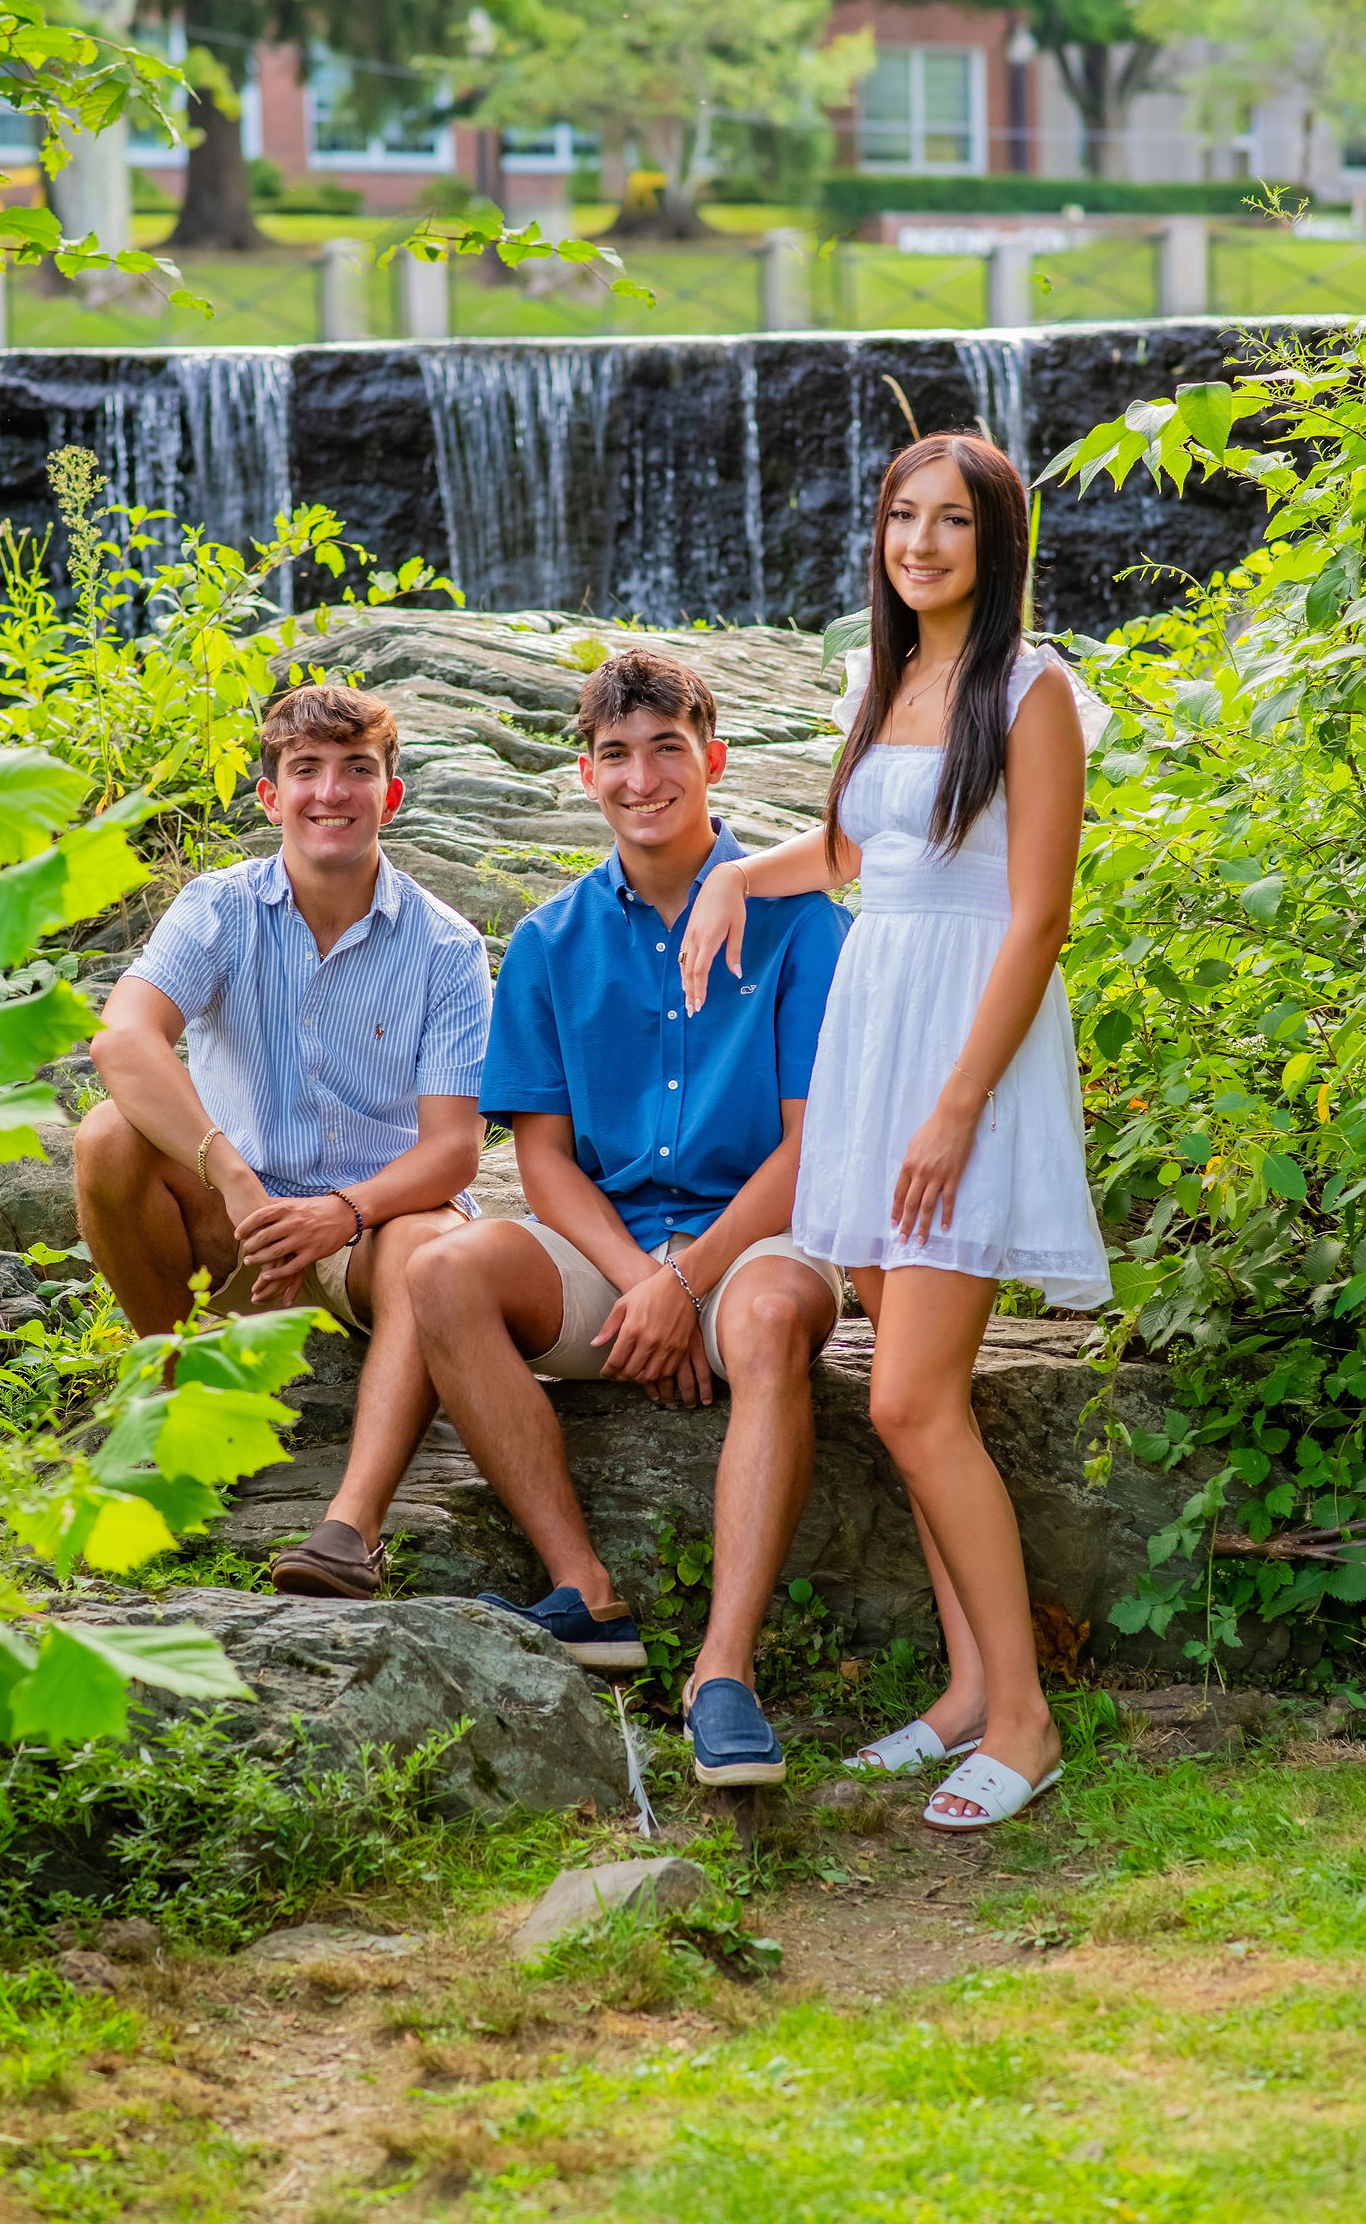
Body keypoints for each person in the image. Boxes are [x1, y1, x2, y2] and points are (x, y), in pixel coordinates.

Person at [680, 435, 1112, 1834]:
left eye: (951, 522)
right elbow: (866, 860)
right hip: (877, 1034)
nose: (919, 541)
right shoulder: (886, 676)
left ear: (997, 544)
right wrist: (740, 870)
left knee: (908, 1398)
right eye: (900, 515)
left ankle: (1027, 1721)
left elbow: (1037, 914)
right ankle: (968, 1692)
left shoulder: (1029, 688)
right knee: (921, 1384)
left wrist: (955, 1104)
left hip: (962, 1052)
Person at [405, 648, 849, 1789]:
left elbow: (810, 1152)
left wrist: (689, 1280)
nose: (642, 776)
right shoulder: (550, 942)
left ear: (714, 758)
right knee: (444, 1274)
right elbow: (541, 1160)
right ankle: (587, 1594)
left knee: (767, 1326)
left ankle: (723, 1672)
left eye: (666, 749)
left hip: (757, 1242)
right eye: (615, 754)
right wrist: (640, 1282)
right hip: (606, 1253)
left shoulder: (804, 925)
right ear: (583, 773)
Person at [76, 682, 492, 1599]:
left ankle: (350, 1529)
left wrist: (341, 1214)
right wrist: (233, 1177)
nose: (330, 792)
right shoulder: (219, 906)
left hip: (379, 1228)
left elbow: (455, 1151)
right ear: (271, 796)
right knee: (109, 1136)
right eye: (305, 771)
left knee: (435, 1248)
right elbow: (124, 1038)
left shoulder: (447, 947)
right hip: (247, 1219)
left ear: (392, 794)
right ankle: (188, 1401)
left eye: (357, 770)